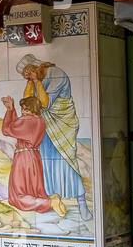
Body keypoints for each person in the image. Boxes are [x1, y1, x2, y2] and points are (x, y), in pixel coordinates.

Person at [18, 53, 88, 218]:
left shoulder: (56, 74)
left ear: (35, 66)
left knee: (68, 160)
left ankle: (82, 203)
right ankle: (50, 199)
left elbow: (44, 103)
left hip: (62, 124)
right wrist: (31, 81)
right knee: (45, 163)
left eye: (28, 71)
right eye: (24, 75)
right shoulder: (36, 79)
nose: (27, 75)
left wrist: (36, 81)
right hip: (45, 126)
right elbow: (27, 101)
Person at [1, 95, 67, 216]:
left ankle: (50, 202)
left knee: (17, 195)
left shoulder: (26, 120)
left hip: (23, 157)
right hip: (34, 156)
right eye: (22, 109)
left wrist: (10, 110)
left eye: (26, 109)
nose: (23, 112)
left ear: (32, 108)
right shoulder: (40, 121)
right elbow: (18, 128)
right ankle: (49, 200)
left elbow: (7, 130)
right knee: (33, 190)